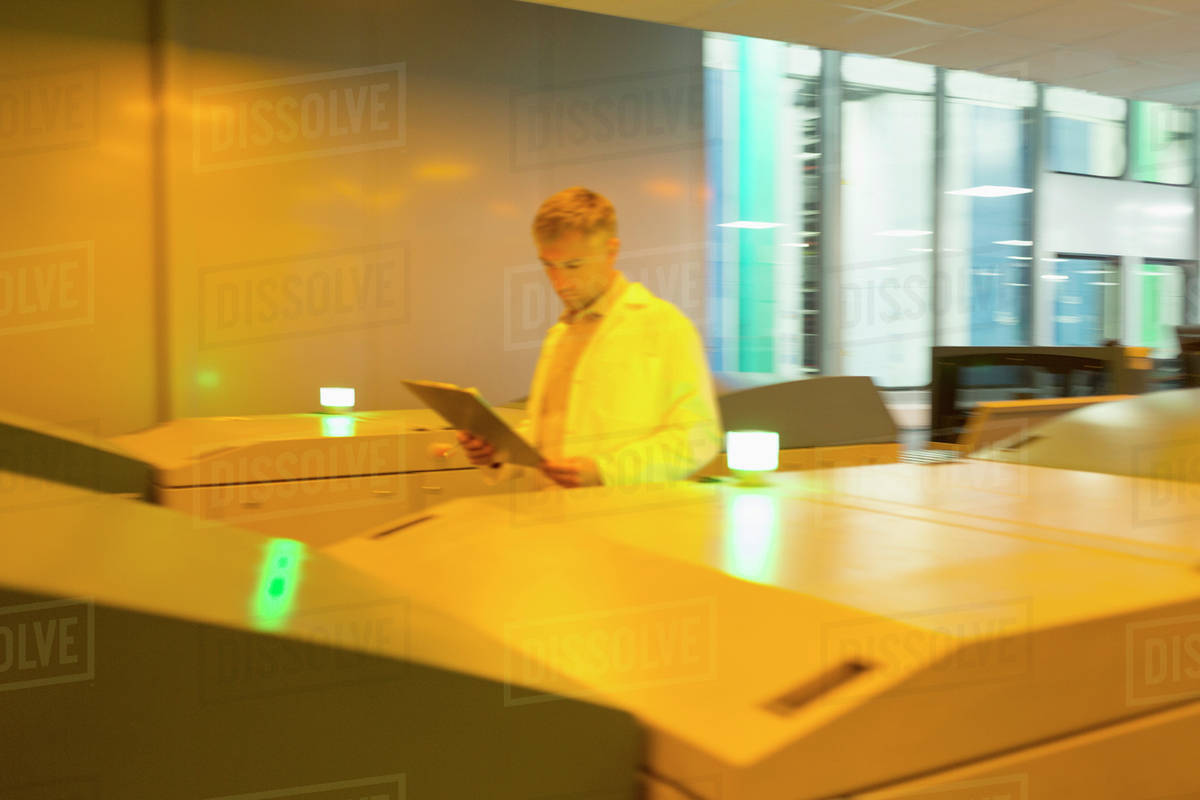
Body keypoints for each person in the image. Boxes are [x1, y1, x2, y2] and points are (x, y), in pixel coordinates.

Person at [457, 186, 721, 488]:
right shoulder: (560, 335)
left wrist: (604, 471)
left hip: (625, 522)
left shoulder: (664, 326)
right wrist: (497, 452)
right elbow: (547, 430)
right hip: (552, 517)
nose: (559, 283)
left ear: (611, 251)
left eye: (573, 266)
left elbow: (698, 438)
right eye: (548, 266)